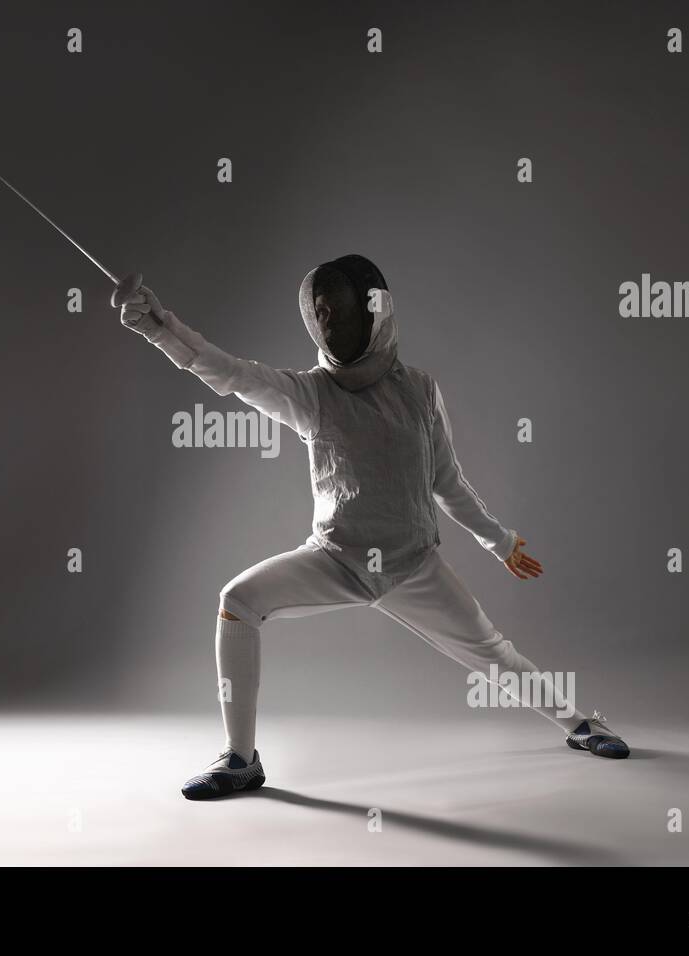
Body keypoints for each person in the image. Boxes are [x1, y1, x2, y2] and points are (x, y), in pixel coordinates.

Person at [115, 254, 629, 801]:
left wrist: (499, 541)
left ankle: (581, 725)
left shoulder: (421, 390)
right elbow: (231, 374)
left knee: (493, 653)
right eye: (322, 313)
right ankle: (241, 759)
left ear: (375, 310)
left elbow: (446, 481)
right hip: (335, 560)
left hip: (413, 566)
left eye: (341, 309)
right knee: (237, 599)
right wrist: (158, 328)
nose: (333, 323)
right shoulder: (310, 393)